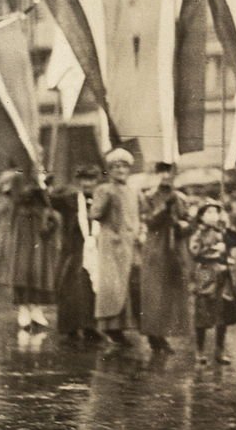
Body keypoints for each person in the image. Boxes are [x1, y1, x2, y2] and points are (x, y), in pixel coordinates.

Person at [89, 148, 142, 346]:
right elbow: (94, 213)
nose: (120, 170)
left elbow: (139, 214)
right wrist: (105, 201)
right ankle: (109, 327)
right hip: (111, 243)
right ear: (109, 170)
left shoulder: (133, 191)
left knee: (127, 284)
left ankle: (122, 327)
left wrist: (139, 232)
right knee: (112, 285)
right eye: (116, 166)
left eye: (124, 166)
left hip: (130, 243)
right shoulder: (104, 190)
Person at [138, 161, 192, 353]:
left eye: (169, 172)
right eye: (162, 172)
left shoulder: (181, 198)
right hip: (156, 248)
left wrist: (183, 225)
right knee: (154, 293)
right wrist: (164, 210)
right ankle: (154, 335)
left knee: (172, 293)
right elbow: (149, 221)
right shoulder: (148, 196)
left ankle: (164, 334)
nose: (166, 176)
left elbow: (188, 222)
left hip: (175, 248)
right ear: (156, 174)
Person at [50, 165, 104, 343]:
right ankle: (71, 328)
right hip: (74, 249)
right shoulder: (71, 199)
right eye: (84, 179)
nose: (88, 183)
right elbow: (52, 200)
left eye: (91, 179)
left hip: (96, 249)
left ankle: (90, 327)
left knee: (91, 288)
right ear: (79, 181)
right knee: (72, 288)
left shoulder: (101, 198)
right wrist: (53, 186)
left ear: (97, 181)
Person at [189, 201, 236, 364]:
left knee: (223, 313)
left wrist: (227, 227)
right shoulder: (199, 233)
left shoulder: (222, 230)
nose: (213, 215)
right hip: (206, 273)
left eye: (216, 212)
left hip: (223, 274)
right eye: (209, 212)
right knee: (203, 311)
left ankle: (220, 350)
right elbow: (195, 251)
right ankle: (199, 351)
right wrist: (214, 249)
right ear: (201, 216)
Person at [8, 171, 61, 329]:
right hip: (25, 223)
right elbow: (17, 198)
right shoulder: (19, 175)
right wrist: (35, 188)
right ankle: (23, 308)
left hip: (41, 223)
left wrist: (47, 188)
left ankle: (36, 308)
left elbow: (50, 200)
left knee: (41, 266)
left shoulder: (45, 169)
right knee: (24, 265)